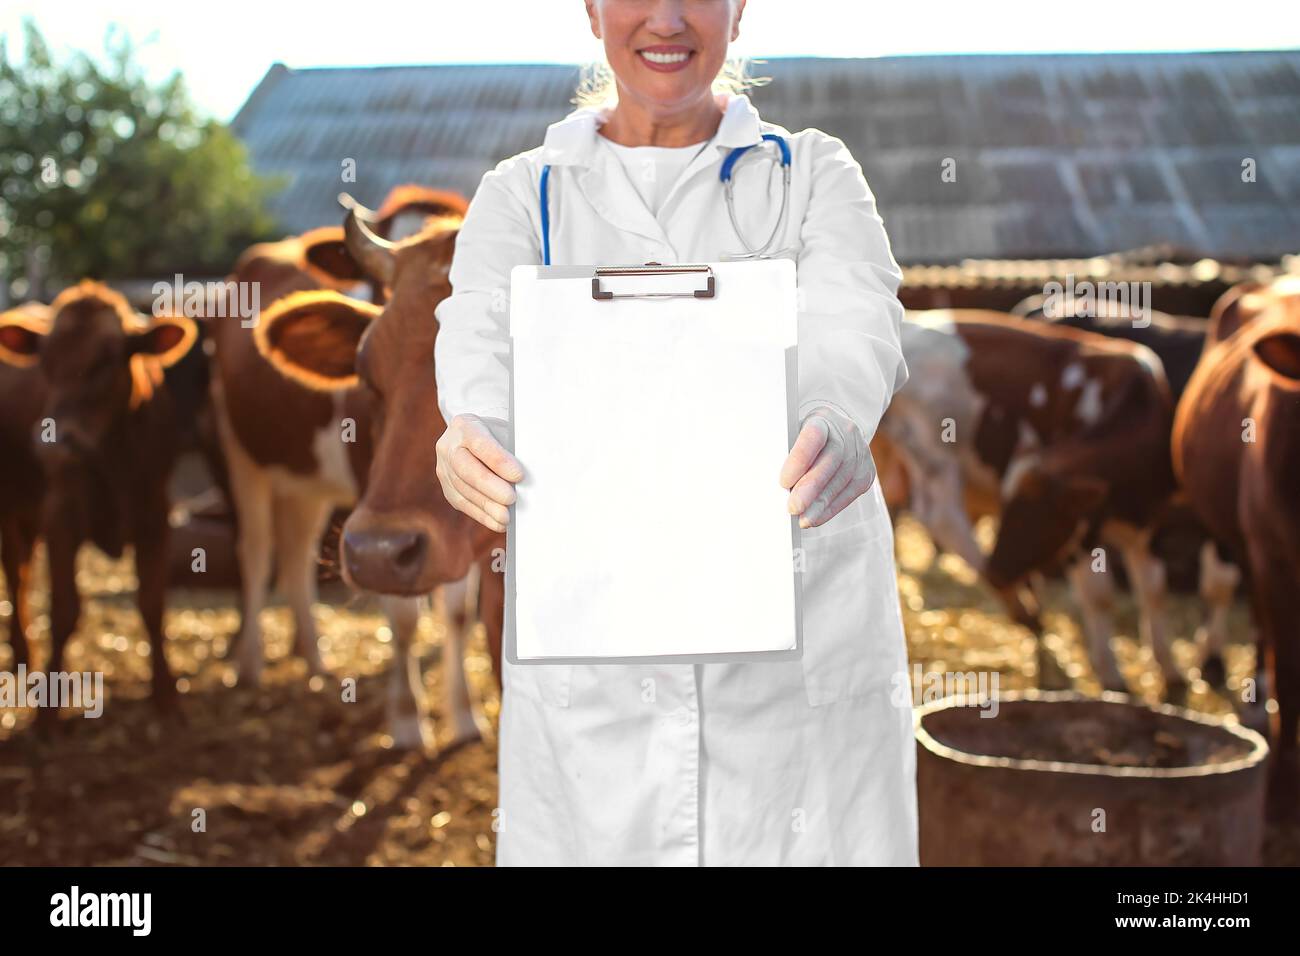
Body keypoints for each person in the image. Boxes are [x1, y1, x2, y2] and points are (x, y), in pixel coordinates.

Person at [433, 0, 916, 866]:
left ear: (739, 10)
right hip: (598, 689)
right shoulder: (525, 195)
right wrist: (469, 431)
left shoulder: (812, 174)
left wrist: (837, 418)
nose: (665, 17)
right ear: (589, 9)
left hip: (796, 677)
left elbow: (856, 318)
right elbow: (479, 342)